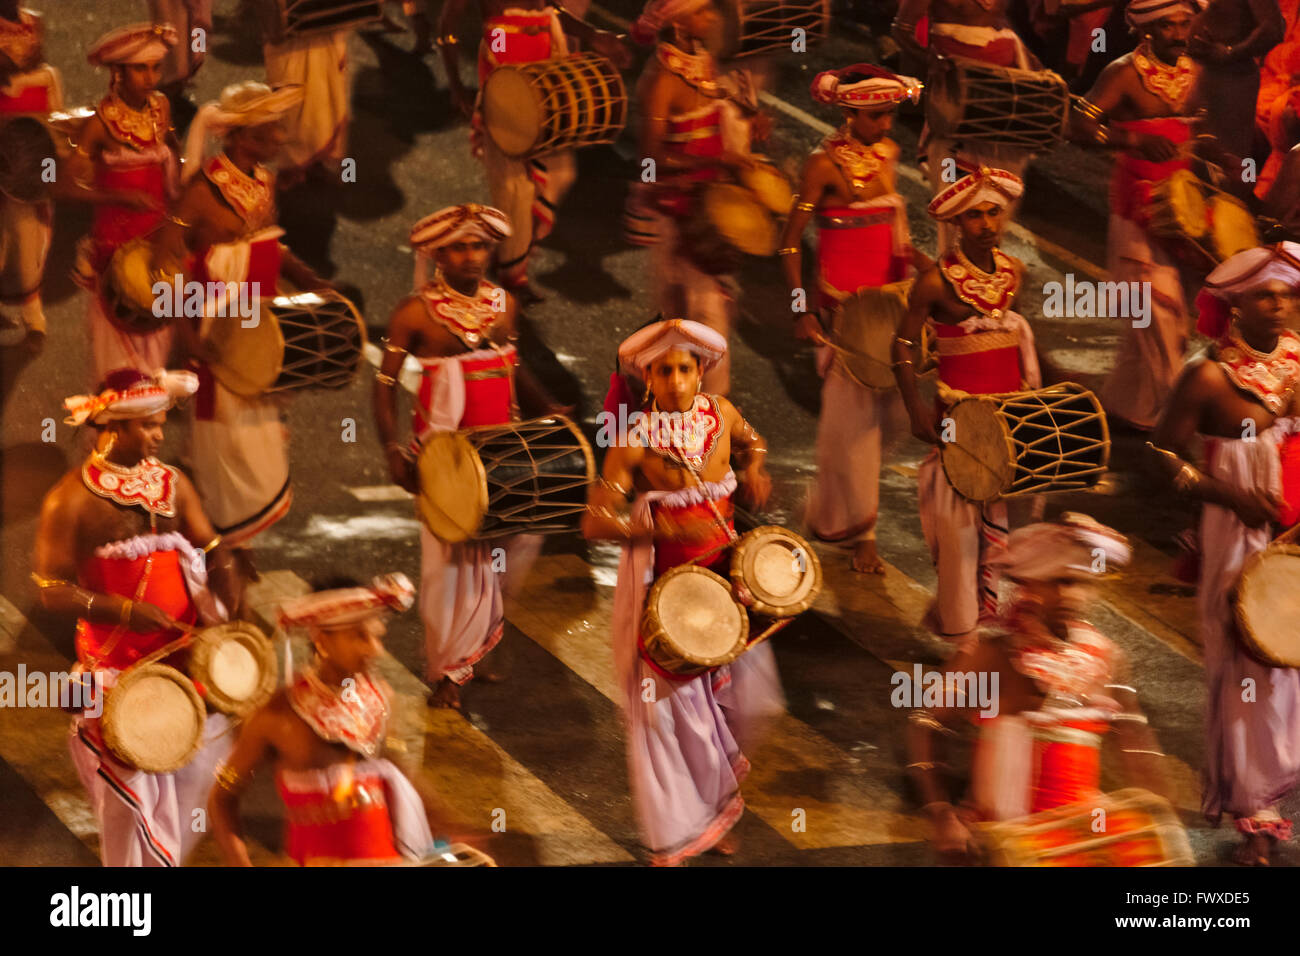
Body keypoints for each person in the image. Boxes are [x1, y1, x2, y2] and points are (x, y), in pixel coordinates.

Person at [582, 318, 783, 865]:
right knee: (673, 718)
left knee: (754, 702)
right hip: (668, 602)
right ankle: (682, 830)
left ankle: (715, 802)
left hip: (727, 589)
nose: (675, 381)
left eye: (685, 369)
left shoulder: (723, 418)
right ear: (648, 378)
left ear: (702, 373)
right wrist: (633, 530)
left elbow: (752, 441)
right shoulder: (634, 441)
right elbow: (594, 520)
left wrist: (757, 466)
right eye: (664, 371)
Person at [32, 367, 241, 866]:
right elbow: (51, 591)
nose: (160, 435)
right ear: (114, 427)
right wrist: (124, 611)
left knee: (192, 781)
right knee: (129, 805)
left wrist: (228, 603)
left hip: (182, 670)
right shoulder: (70, 500)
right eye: (149, 426)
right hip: (115, 679)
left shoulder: (173, 484)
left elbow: (213, 548)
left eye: (161, 423)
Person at [373, 203, 564, 710]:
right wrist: (393, 449)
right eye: (460, 246)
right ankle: (449, 672)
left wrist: (547, 408)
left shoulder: (503, 304)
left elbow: (512, 366)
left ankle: (483, 639)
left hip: (502, 450)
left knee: (510, 549)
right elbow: (385, 384)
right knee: (450, 566)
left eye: (479, 246)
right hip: (444, 459)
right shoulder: (414, 313)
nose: (472, 256)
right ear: (438, 253)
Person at [1148, 242, 1300, 865]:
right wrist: (1227, 494)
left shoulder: (1298, 362)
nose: (1279, 304)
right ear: (1235, 305)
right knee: (1247, 661)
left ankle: (1277, 790)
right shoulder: (1208, 376)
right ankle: (1254, 816)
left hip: (1290, 524)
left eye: (1287, 293)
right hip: (1233, 532)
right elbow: (1162, 451)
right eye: (1265, 293)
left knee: (1287, 660)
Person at [905, 514, 1171, 860]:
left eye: (1081, 583)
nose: (1070, 596)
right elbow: (927, 725)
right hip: (995, 841)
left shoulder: (1108, 658)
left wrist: (1159, 806)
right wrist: (941, 813)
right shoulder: (992, 655)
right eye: (1058, 581)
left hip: (1078, 845)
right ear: (1031, 584)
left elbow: (1136, 741)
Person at [155, 81, 333, 574]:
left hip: (259, 330)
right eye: (271, 128)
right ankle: (218, 542)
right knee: (222, 440)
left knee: (256, 436)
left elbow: (269, 243)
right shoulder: (200, 194)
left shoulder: (262, 181)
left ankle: (233, 534)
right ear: (242, 137)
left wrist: (308, 278)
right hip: (215, 333)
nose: (281, 135)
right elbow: (166, 259)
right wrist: (187, 334)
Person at [781, 64, 928, 574]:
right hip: (844, 313)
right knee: (858, 426)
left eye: (889, 114)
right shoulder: (821, 166)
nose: (886, 125)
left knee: (892, 420)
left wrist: (931, 274)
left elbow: (897, 233)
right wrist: (802, 311)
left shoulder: (887, 154)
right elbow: (789, 242)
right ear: (848, 112)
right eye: (875, 116)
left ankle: (829, 509)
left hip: (891, 305)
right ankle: (862, 532)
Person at [893, 167, 1043, 653]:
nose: (986, 223)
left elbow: (1013, 338)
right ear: (957, 223)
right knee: (959, 533)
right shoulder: (935, 283)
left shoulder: (1014, 271)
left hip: (1010, 422)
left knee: (1010, 525)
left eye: (993, 212)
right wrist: (916, 408)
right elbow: (901, 344)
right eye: (974, 216)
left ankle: (998, 621)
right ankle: (963, 636)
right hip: (958, 424)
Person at [210, 574, 441, 866]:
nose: (375, 649)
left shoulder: (381, 697)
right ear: (321, 641)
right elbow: (222, 798)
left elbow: (392, 764)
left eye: (376, 636)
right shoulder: (277, 716)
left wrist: (443, 820)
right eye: (359, 636)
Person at [1069, 0, 1209, 431]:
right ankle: (1173, 435)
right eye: (1169, 26)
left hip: (1183, 216)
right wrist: (1132, 140)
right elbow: (1078, 124)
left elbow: (1203, 131)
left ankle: (1126, 412)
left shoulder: (1196, 71)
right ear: (1146, 29)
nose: (1180, 34)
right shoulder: (1124, 73)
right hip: (1137, 213)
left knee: (1146, 328)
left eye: (1186, 24)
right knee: (1161, 321)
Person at [436, 0, 630, 300]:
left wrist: (593, 35)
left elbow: (551, 8)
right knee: (515, 189)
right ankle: (514, 276)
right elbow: (448, 26)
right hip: (505, 77)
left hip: (544, 77)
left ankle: (514, 247)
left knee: (560, 174)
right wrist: (455, 86)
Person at [630, 0, 766, 395]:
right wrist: (704, 164)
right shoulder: (661, 79)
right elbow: (650, 160)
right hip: (678, 217)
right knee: (703, 320)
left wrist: (747, 123)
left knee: (701, 317)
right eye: (702, 11)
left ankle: (683, 408)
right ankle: (704, 416)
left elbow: (715, 112)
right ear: (678, 24)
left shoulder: (701, 62)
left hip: (709, 208)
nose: (713, 18)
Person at [71, 22, 183, 382]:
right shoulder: (100, 125)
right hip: (116, 254)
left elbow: (171, 152)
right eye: (140, 68)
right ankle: (112, 429)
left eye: (155, 68)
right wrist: (116, 195)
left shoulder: (161, 108)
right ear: (118, 72)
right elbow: (61, 185)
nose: (150, 78)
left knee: (157, 345)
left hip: (157, 244)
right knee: (116, 360)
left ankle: (144, 429)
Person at [891, 0, 1044, 252]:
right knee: (959, 193)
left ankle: (987, 265)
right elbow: (901, 29)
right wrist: (932, 59)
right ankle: (954, 269)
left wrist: (1023, 54)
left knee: (1001, 191)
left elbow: (998, 20)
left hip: (1001, 102)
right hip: (957, 99)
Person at [0, 0, 61, 352]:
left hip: (32, 133)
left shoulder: (33, 24)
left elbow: (36, 66)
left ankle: (33, 313)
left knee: (31, 233)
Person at [254, 0, 354, 183]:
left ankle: (313, 162)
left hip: (322, 39)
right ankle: (290, 168)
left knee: (322, 103)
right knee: (293, 109)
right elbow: (273, 23)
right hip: (288, 44)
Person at [1188, 0, 1283, 162]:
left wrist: (1231, 53)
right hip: (1197, 72)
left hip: (1232, 78)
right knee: (1196, 157)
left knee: (1234, 158)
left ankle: (1247, 184)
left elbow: (1273, 28)